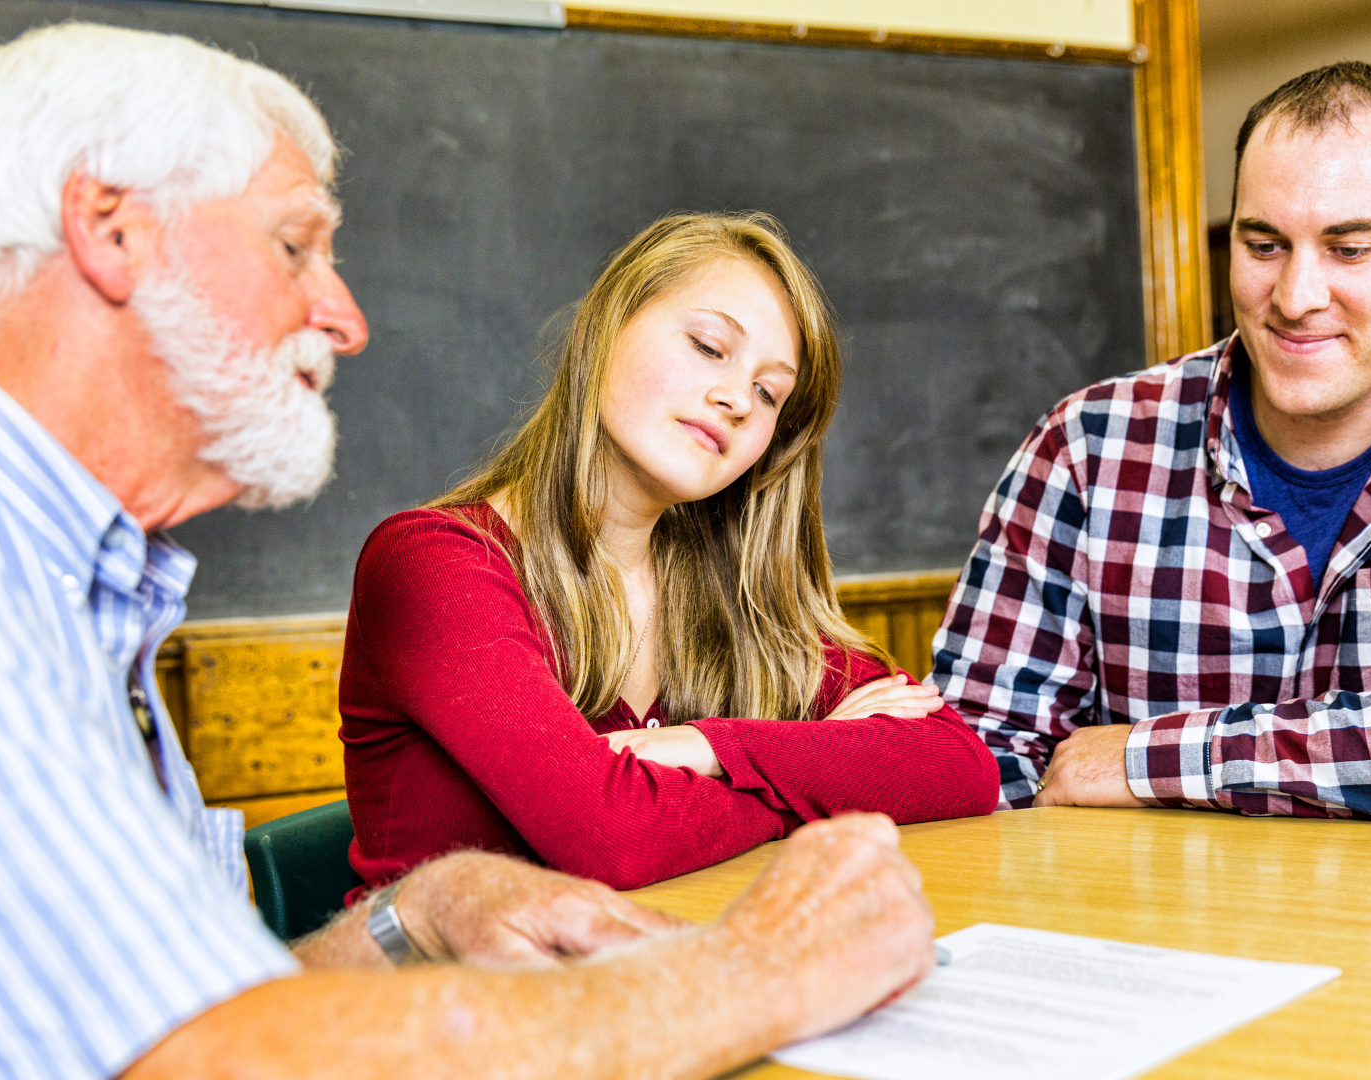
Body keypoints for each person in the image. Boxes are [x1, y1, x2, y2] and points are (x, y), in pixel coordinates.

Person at [0, 24, 940, 1079]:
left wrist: (422, 912)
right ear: (111, 231)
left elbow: (189, 1004)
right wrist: (758, 974)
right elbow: (206, 1060)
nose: (344, 316)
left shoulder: (73, 579)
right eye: (296, 245)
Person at [933, 62, 1371, 824]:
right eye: (1264, 244)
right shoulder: (1088, 448)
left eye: (1349, 249)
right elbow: (979, 754)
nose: (1296, 297)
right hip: (1152, 933)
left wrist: (1153, 756)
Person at [339, 212, 1001, 894]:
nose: (737, 398)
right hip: (449, 992)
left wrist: (707, 746)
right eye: (709, 347)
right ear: (607, 328)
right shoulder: (434, 563)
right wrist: (812, 782)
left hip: (660, 974)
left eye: (770, 392)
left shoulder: (729, 591)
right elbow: (614, 840)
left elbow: (961, 765)